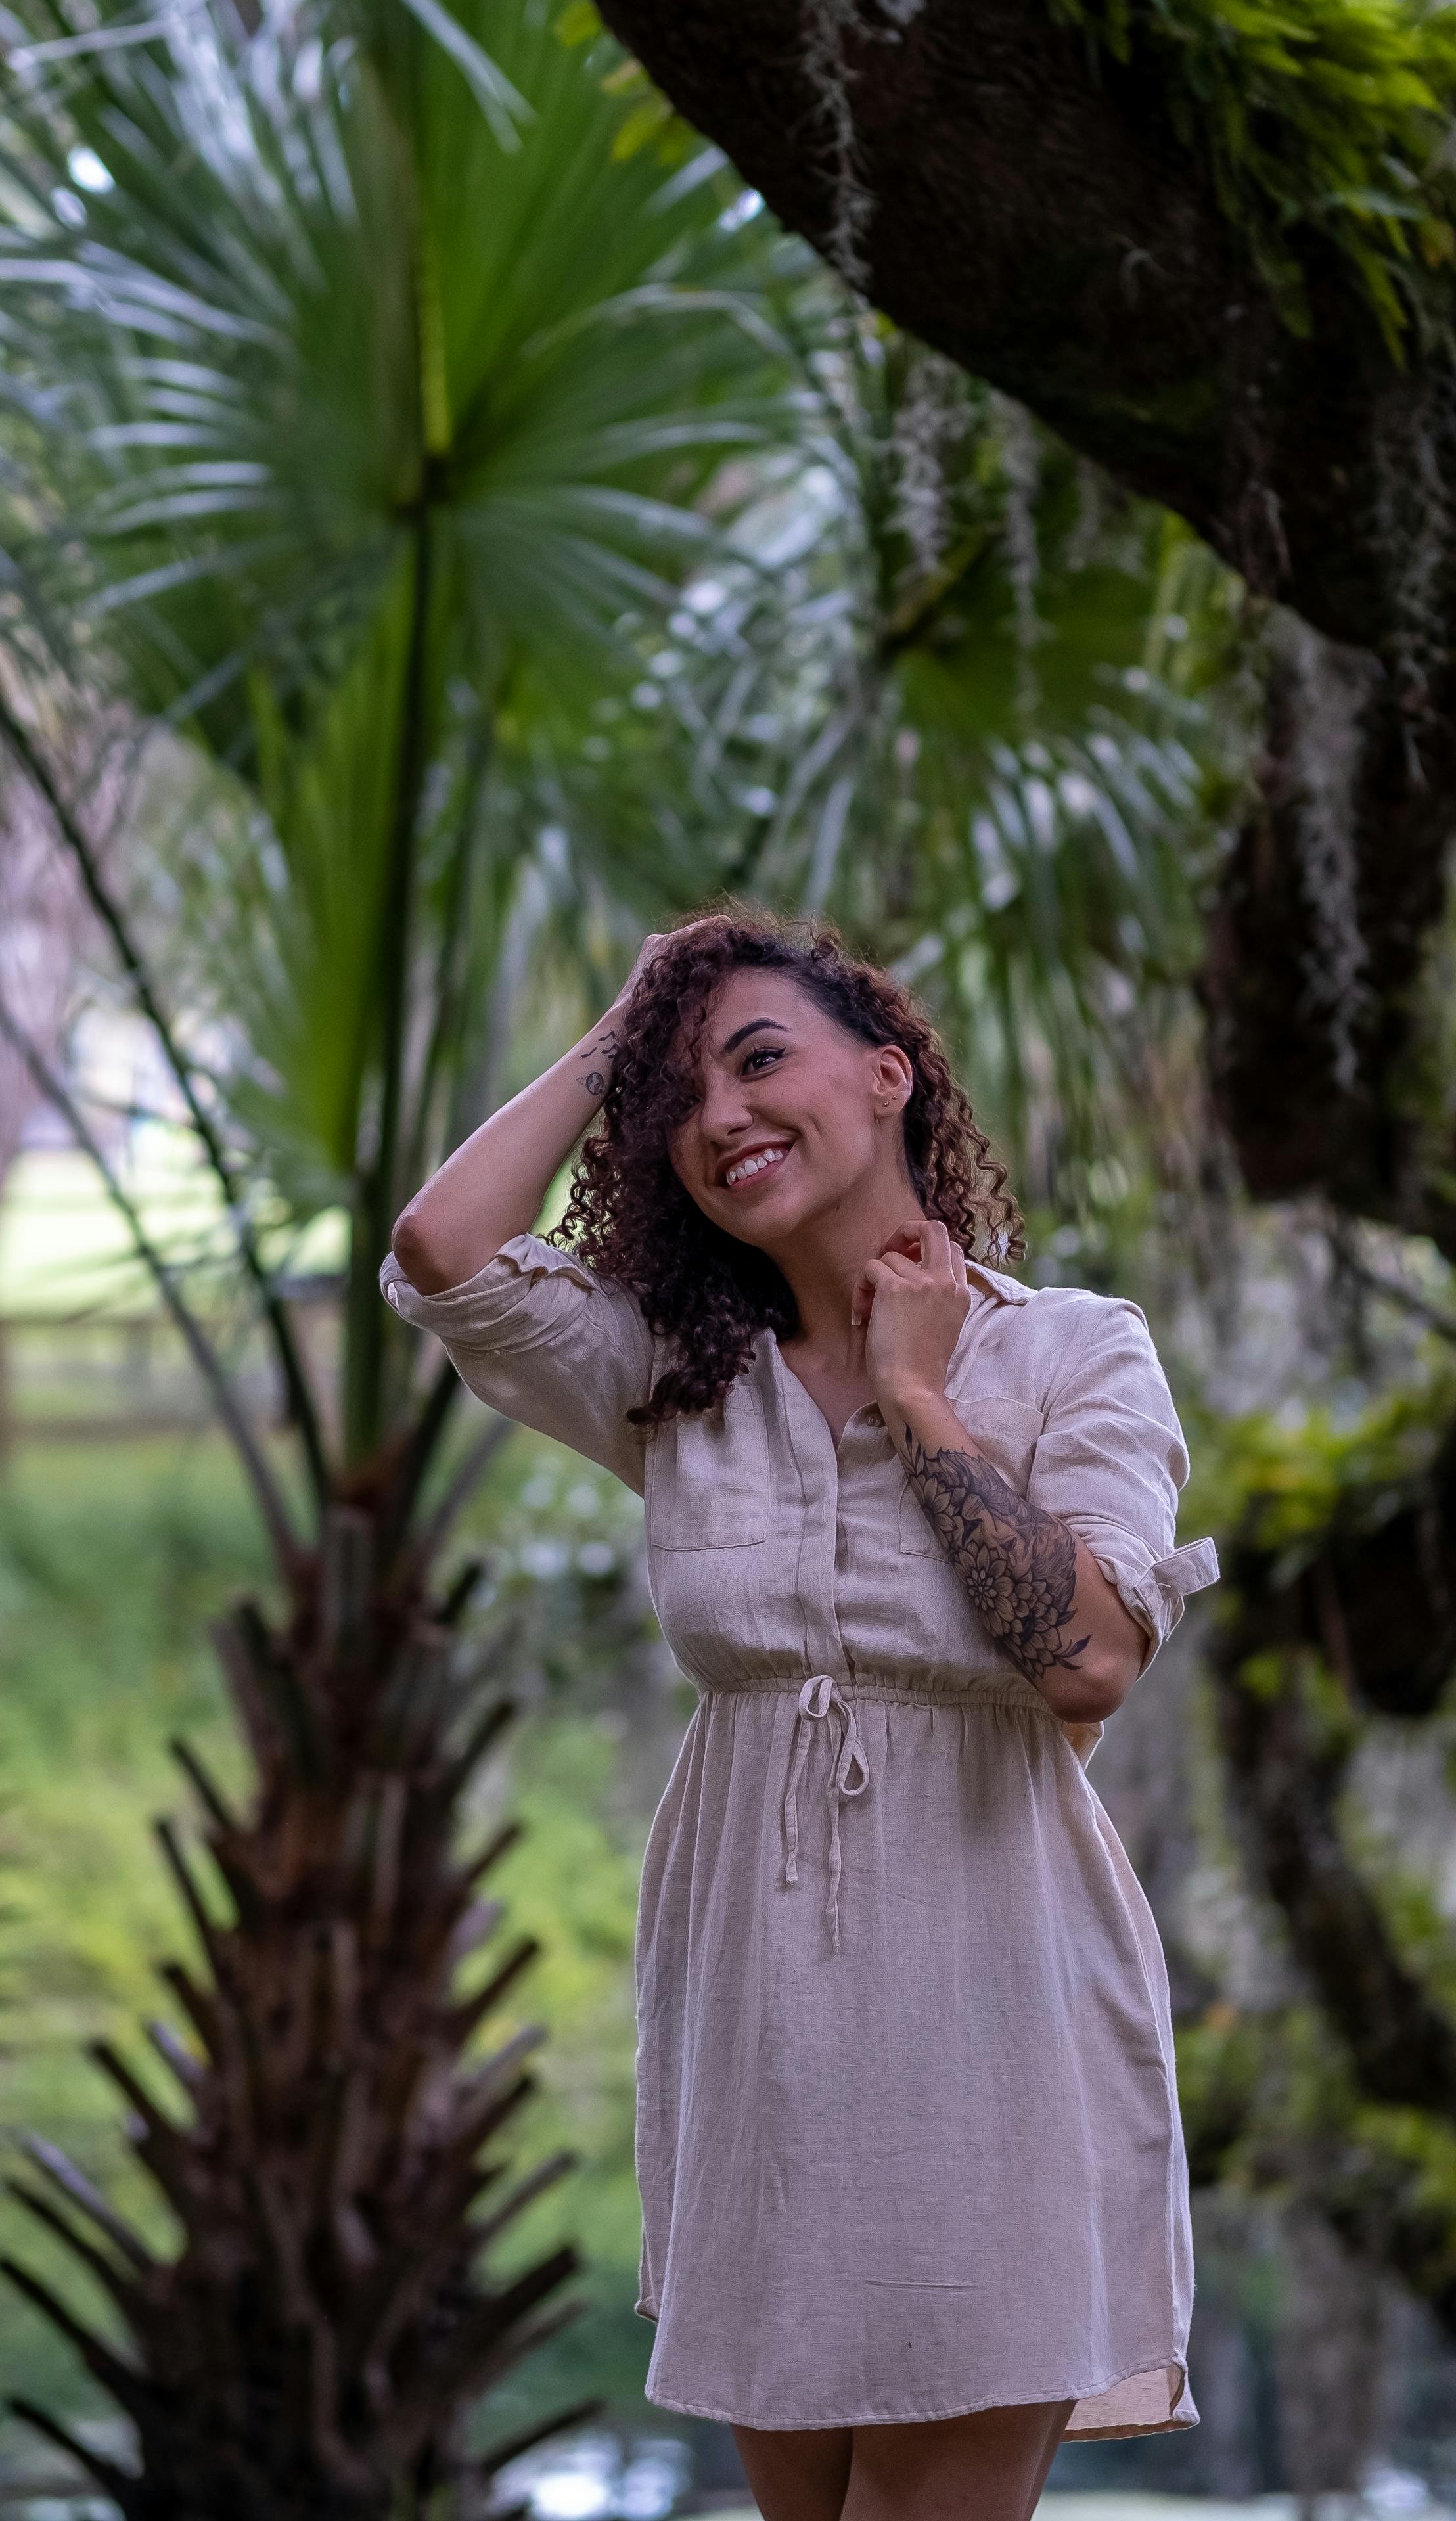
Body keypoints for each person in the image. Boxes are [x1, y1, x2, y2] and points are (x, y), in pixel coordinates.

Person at [385, 909, 1216, 2521]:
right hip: (756, 2048)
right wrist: (632, 1018)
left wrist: (916, 1395)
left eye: (761, 1059)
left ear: (889, 1075)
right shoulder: (678, 1375)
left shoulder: (1070, 1352)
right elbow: (444, 1250)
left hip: (992, 2030)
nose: (720, 1115)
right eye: (679, 1096)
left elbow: (1087, 1658)